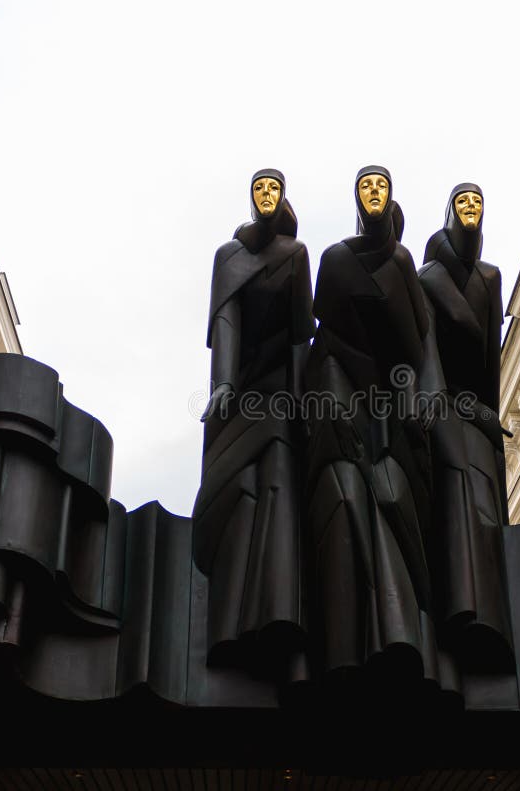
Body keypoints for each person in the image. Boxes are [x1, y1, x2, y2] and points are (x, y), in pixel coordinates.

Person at [305, 165, 444, 684]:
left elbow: (420, 338)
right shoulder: (336, 259)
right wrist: (333, 405)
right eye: (365, 185)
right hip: (342, 388)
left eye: (381, 185)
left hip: (392, 399)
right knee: (349, 494)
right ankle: (361, 634)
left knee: (391, 494)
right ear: (356, 199)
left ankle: (403, 624)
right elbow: (325, 338)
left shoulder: (403, 262)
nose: (374, 192)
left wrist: (423, 395)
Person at [192, 169, 315, 673]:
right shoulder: (230, 256)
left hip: (280, 396)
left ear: (282, 197)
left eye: (274, 189)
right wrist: (222, 385)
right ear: (251, 199)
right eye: (259, 189)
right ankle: (230, 624)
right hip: (240, 395)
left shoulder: (296, 255)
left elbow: (299, 334)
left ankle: (280, 613)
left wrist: (303, 397)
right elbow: (226, 320)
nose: (267, 196)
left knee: (278, 491)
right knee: (240, 493)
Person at [418, 182, 513, 669]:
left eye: (478, 201)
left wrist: (491, 413)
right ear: (450, 213)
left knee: (486, 502)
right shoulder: (427, 278)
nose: (472, 208)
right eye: (463, 202)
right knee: (459, 497)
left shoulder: (491, 277)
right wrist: (436, 403)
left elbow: (492, 358)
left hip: (480, 414)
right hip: (446, 408)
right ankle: (462, 609)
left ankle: (493, 614)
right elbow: (425, 348)